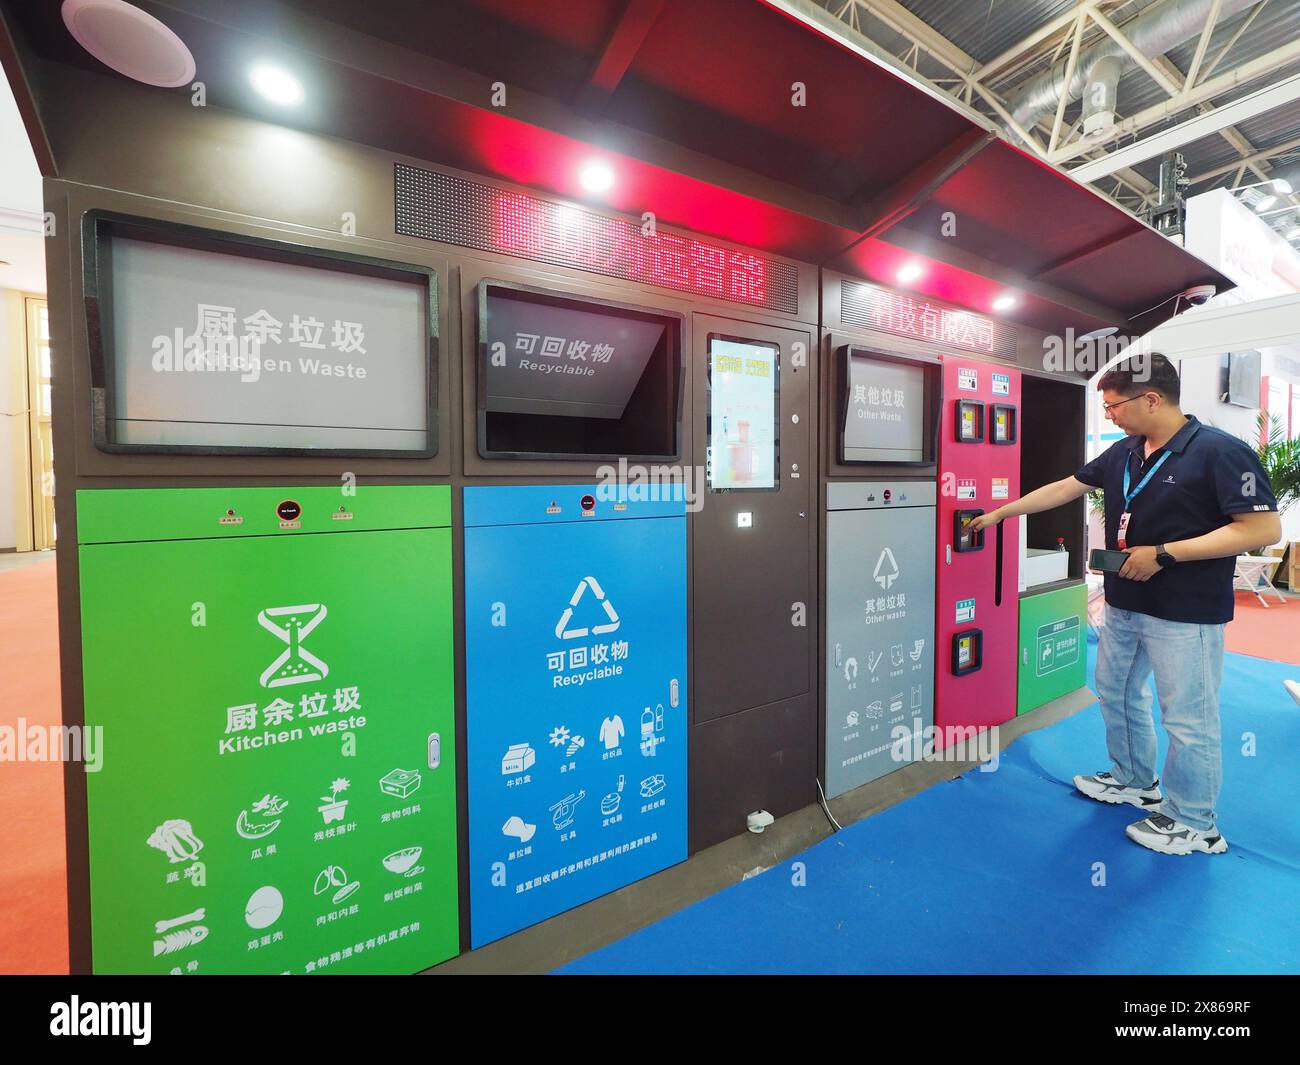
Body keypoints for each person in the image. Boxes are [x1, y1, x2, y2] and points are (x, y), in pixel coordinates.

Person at [971, 352, 1280, 855]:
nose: (1109, 414)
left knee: (1187, 717)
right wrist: (1003, 512)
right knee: (1115, 691)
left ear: (1152, 399)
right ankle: (1135, 780)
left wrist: (1165, 554)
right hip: (1125, 602)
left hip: (1185, 610)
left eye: (1114, 405)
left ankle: (1195, 821)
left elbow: (1261, 528)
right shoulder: (1125, 453)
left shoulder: (1221, 452)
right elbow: (1065, 488)